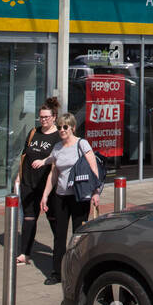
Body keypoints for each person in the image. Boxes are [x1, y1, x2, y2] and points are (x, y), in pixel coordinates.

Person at [39, 114, 100, 286]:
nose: (61, 130)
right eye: (59, 127)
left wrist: (96, 192)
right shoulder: (57, 147)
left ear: (72, 127)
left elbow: (93, 167)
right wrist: (45, 195)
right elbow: (53, 173)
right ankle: (57, 272)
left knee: (78, 235)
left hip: (79, 195)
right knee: (59, 235)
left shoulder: (82, 144)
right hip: (61, 196)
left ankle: (79, 271)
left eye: (65, 127)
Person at [12, 98, 59, 266]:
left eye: (46, 117)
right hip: (29, 183)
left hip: (47, 185)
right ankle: (25, 253)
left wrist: (45, 160)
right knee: (29, 218)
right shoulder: (33, 132)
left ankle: (60, 251)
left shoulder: (58, 135)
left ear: (54, 117)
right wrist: (19, 176)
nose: (43, 120)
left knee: (53, 218)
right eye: (41, 117)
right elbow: (24, 155)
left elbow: (59, 159)